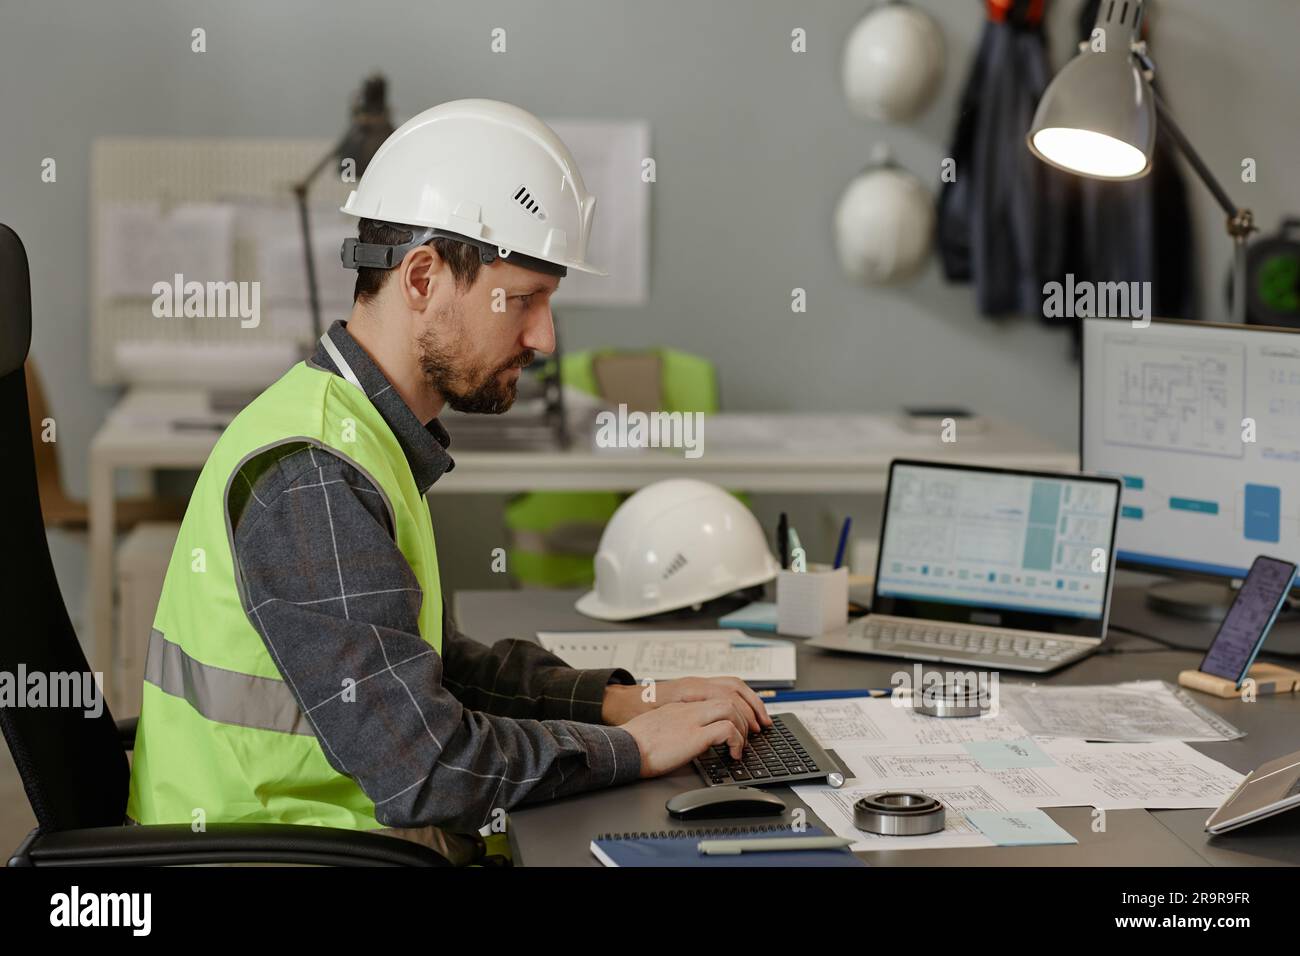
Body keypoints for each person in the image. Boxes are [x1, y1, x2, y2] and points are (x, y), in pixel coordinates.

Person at [126, 99, 768, 864]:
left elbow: (425, 664)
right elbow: (428, 765)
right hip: (283, 854)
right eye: (523, 300)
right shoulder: (314, 472)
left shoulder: (356, 428)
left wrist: (615, 700)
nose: (544, 337)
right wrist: (629, 748)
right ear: (423, 277)